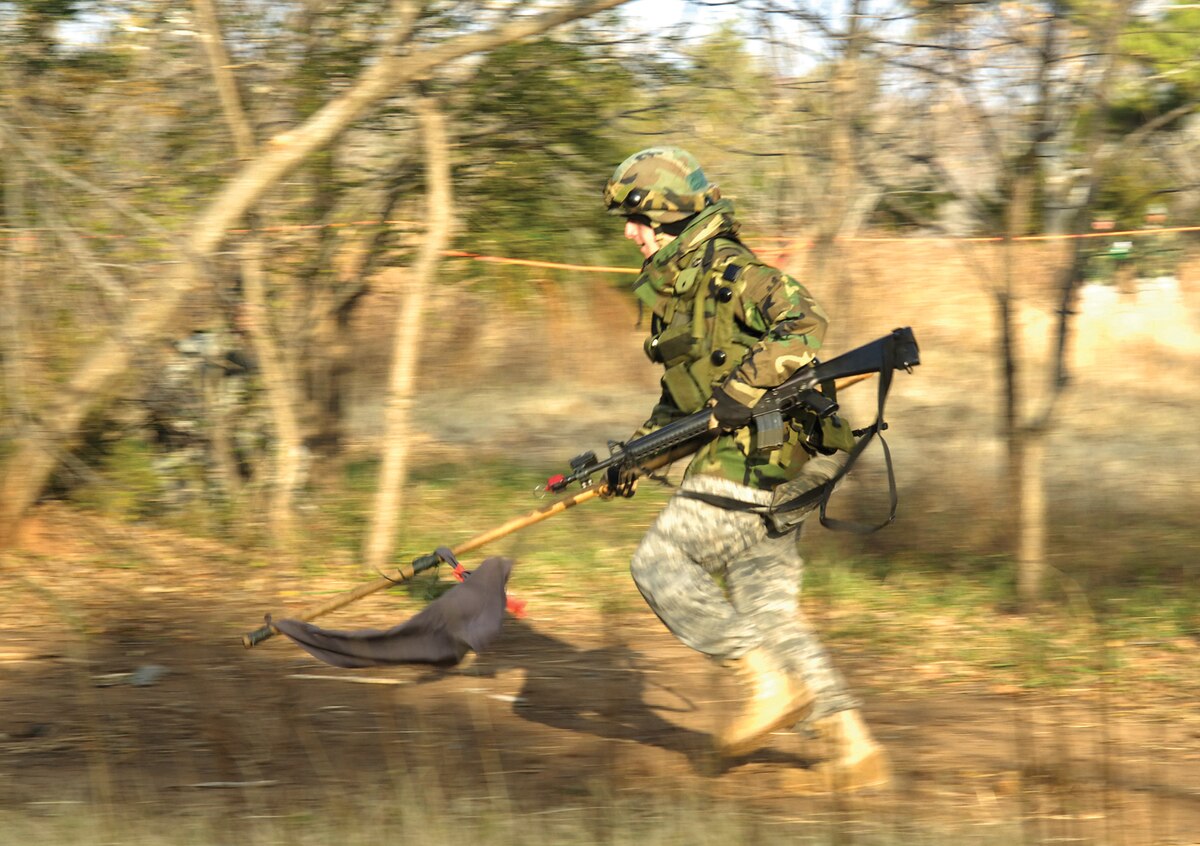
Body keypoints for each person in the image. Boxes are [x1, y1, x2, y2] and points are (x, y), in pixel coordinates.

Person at [602, 146, 890, 792]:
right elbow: (681, 405)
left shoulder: (730, 272)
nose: (630, 232)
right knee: (769, 610)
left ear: (672, 216)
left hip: (759, 459)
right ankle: (852, 744)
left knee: (659, 564)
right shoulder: (680, 290)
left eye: (639, 218)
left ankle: (765, 686)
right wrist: (629, 458)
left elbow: (804, 321)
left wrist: (745, 389)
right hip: (772, 463)